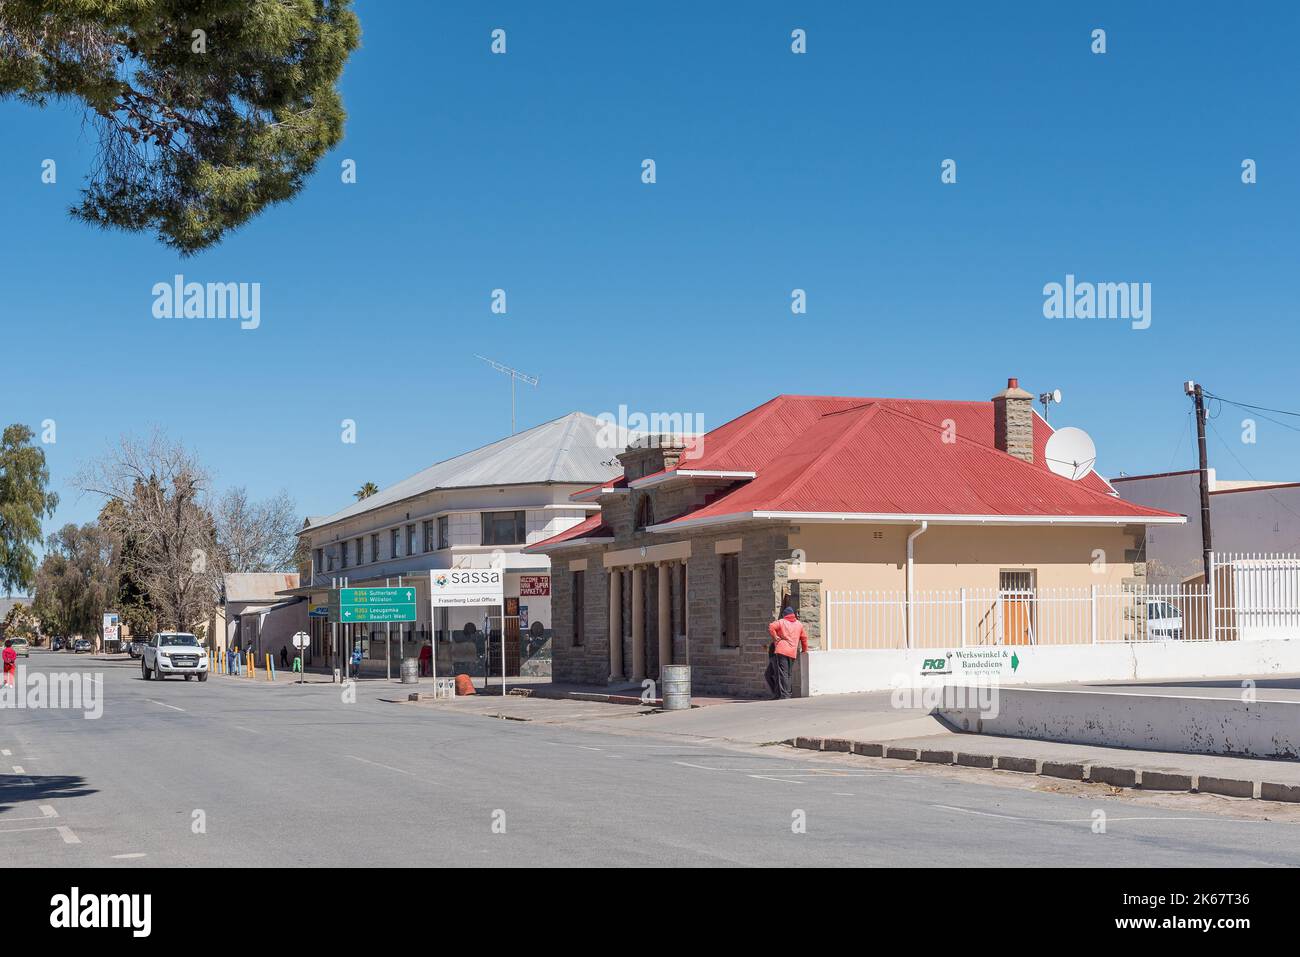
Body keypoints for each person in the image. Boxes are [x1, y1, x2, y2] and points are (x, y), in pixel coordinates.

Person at [765, 606, 808, 700]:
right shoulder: (799, 624)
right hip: (792, 652)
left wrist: (775, 636)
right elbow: (804, 638)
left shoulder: (782, 622)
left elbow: (771, 626)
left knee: (782, 673)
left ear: (784, 615)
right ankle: (787, 693)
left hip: (782, 650)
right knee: (788, 674)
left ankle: (785, 695)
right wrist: (804, 650)